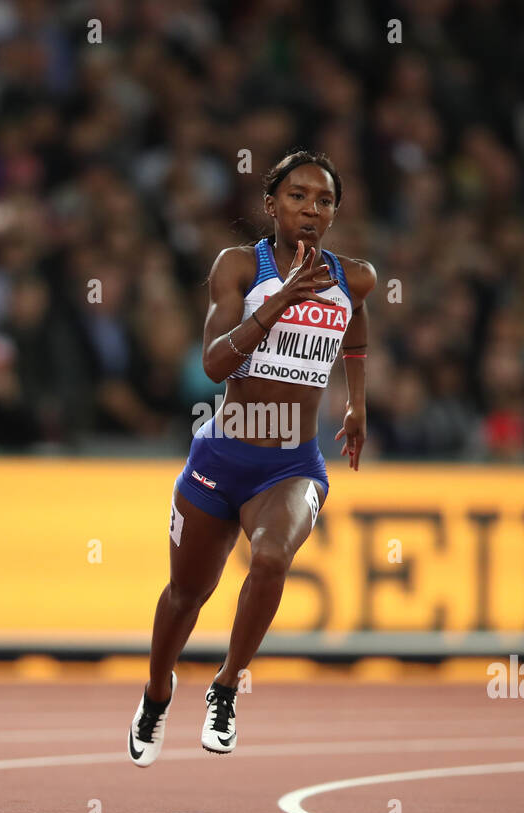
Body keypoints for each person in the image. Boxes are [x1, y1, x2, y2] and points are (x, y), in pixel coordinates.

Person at [127, 151, 376, 766]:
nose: (310, 210)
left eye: (324, 201)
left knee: (269, 558)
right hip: (221, 456)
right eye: (297, 196)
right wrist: (279, 303)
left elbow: (357, 328)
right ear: (271, 204)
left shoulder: (354, 278)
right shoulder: (240, 266)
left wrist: (356, 403)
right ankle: (157, 693)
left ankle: (226, 686)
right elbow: (214, 363)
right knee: (186, 595)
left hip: (292, 464)